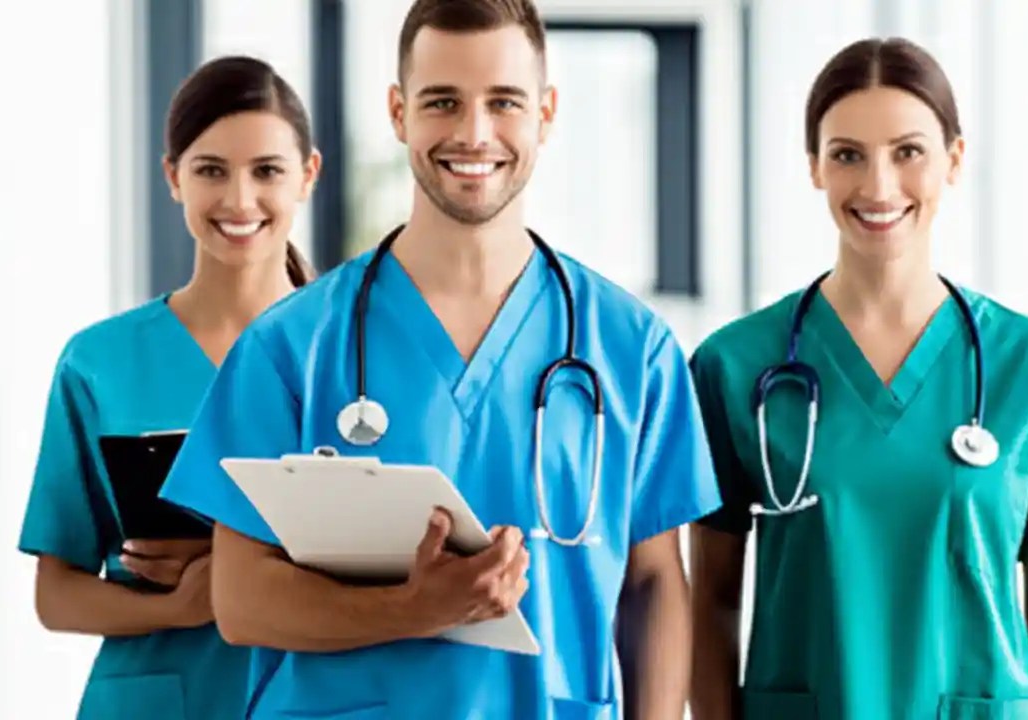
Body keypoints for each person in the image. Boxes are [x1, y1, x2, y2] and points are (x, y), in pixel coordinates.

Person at [156, 0, 720, 718]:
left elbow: (654, 585)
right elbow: (242, 603)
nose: (473, 133)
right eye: (442, 102)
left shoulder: (632, 351)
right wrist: (416, 608)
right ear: (399, 113)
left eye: (504, 102)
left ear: (546, 113)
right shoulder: (290, 348)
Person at [687, 37, 1028, 720]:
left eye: (908, 152)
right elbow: (712, 598)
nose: (878, 187)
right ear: (813, 166)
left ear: (953, 160)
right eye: (847, 155)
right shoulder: (735, 367)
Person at [17, 55, 321, 719]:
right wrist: (183, 603)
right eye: (211, 169)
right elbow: (56, 593)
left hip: (310, 697)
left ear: (308, 175)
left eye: (266, 170)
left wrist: (244, 570)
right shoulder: (100, 362)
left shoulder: (349, 358)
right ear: (173, 177)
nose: (239, 200)